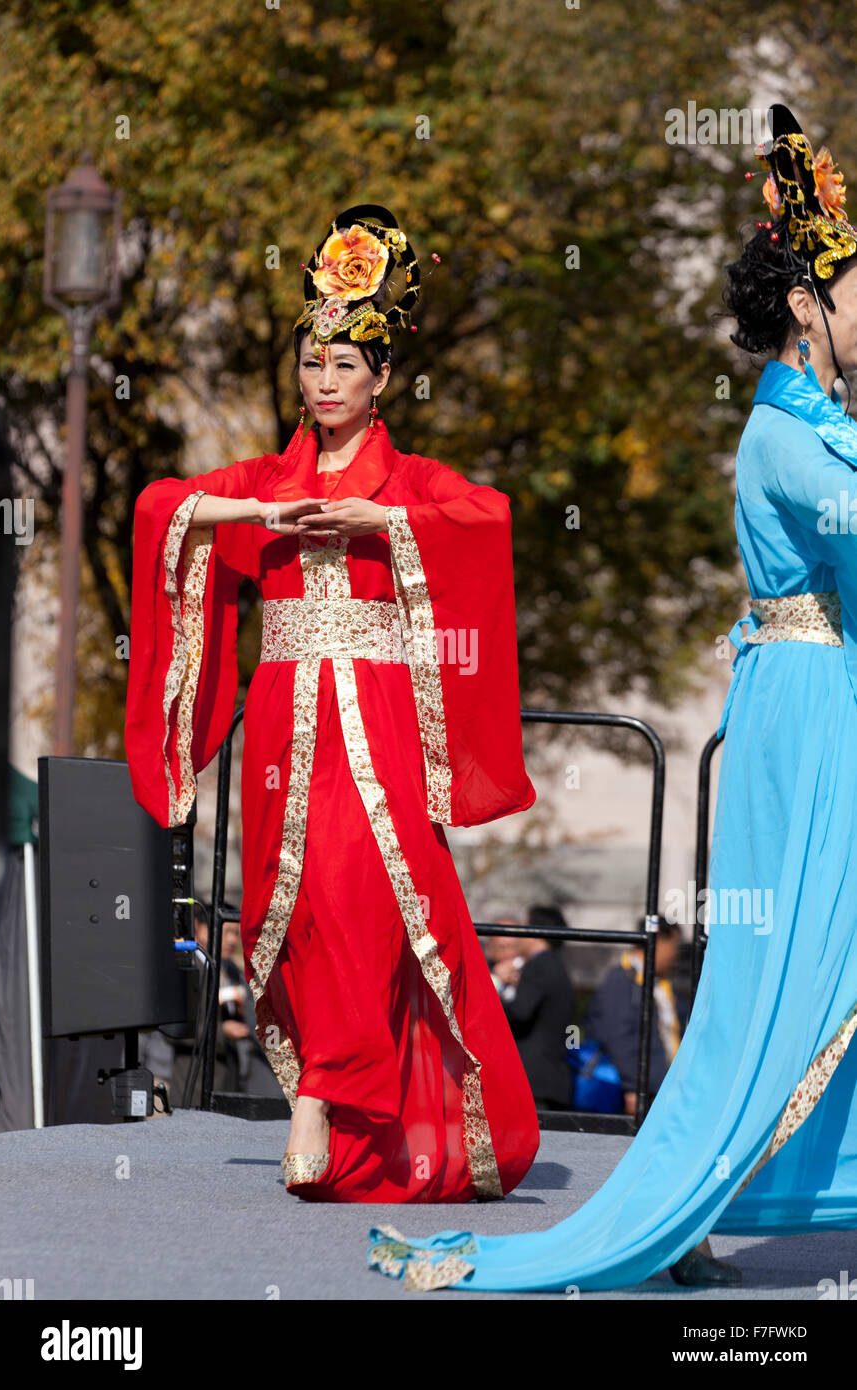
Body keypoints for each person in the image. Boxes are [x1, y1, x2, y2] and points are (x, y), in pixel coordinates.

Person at [366, 105, 857, 1290]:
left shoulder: (825, 426)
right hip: (807, 709)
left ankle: (731, 1197)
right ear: (807, 304)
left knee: (818, 970)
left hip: (823, 695)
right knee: (772, 979)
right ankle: (673, 1207)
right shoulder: (782, 441)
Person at [125, 205, 539, 1201]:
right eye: (312, 365)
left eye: (343, 367)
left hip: (376, 717)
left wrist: (377, 519)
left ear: (381, 378)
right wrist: (261, 511)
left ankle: (319, 1097)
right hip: (282, 716)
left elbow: (484, 522)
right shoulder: (268, 477)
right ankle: (336, 1098)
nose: (322, 383)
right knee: (289, 901)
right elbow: (158, 507)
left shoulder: (412, 480)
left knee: (366, 895)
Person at [584, 919, 687, 1116]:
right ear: (660, 942)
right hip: (639, 1090)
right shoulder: (622, 981)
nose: (675, 956)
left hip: (658, 1086)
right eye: (675, 947)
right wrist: (632, 1086)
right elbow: (618, 1037)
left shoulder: (659, 984)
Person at [501, 905, 575, 1111]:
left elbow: (519, 1011)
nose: (519, 937)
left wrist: (494, 998)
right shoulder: (557, 967)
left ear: (535, 933)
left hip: (535, 1083)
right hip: (550, 1080)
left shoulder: (538, 966)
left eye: (524, 928)